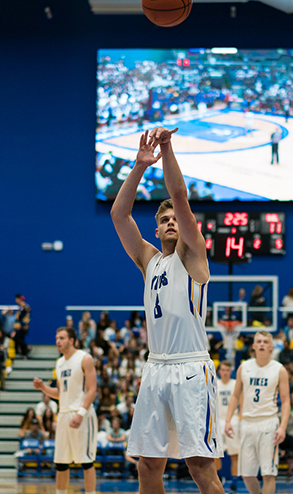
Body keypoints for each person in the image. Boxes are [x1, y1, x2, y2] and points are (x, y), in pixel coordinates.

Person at [109, 127, 223, 494]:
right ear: (156, 231)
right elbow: (119, 214)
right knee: (147, 466)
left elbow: (178, 193)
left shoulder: (193, 256)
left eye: (175, 218)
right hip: (155, 367)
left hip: (190, 367)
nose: (171, 221)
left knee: (201, 468)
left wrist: (167, 147)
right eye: (164, 220)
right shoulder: (149, 260)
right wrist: (140, 166)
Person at [31, 327, 98, 494]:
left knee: (86, 461)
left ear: (72, 340)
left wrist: (81, 414)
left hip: (82, 414)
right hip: (63, 415)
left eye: (61, 338)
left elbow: (92, 389)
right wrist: (43, 387)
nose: (57, 341)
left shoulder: (85, 358)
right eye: (56, 338)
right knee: (61, 462)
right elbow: (61, 393)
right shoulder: (59, 363)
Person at [224, 331, 289, 494]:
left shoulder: (279, 369)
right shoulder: (244, 367)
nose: (261, 344)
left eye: (265, 342)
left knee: (268, 473)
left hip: (269, 423)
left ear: (271, 347)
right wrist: (227, 420)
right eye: (258, 341)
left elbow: (286, 400)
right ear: (253, 346)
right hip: (247, 423)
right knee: (246, 474)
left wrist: (282, 426)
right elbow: (235, 395)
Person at [215, 361, 240, 479]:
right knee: (215, 454)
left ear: (231, 372)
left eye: (227, 370)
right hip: (217, 420)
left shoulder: (236, 384)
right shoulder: (214, 383)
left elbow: (242, 401)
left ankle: (234, 484)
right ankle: (219, 478)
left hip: (233, 420)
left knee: (234, 454)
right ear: (219, 371)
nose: (225, 373)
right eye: (223, 370)